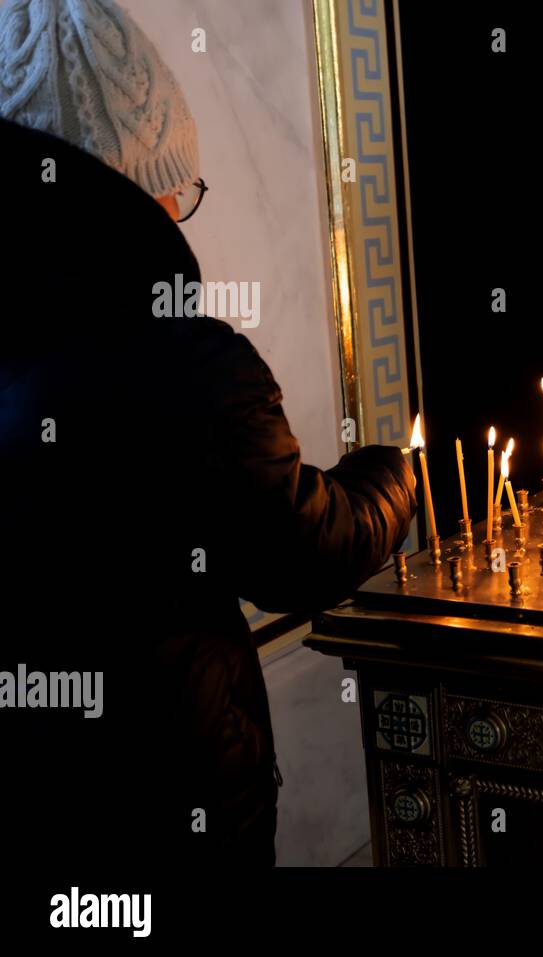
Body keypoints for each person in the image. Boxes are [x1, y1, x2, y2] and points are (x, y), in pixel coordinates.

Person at [0, 0, 415, 865]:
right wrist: (397, 474)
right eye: (172, 187)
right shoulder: (178, 357)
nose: (178, 211)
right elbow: (298, 549)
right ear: (125, 187)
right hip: (159, 792)